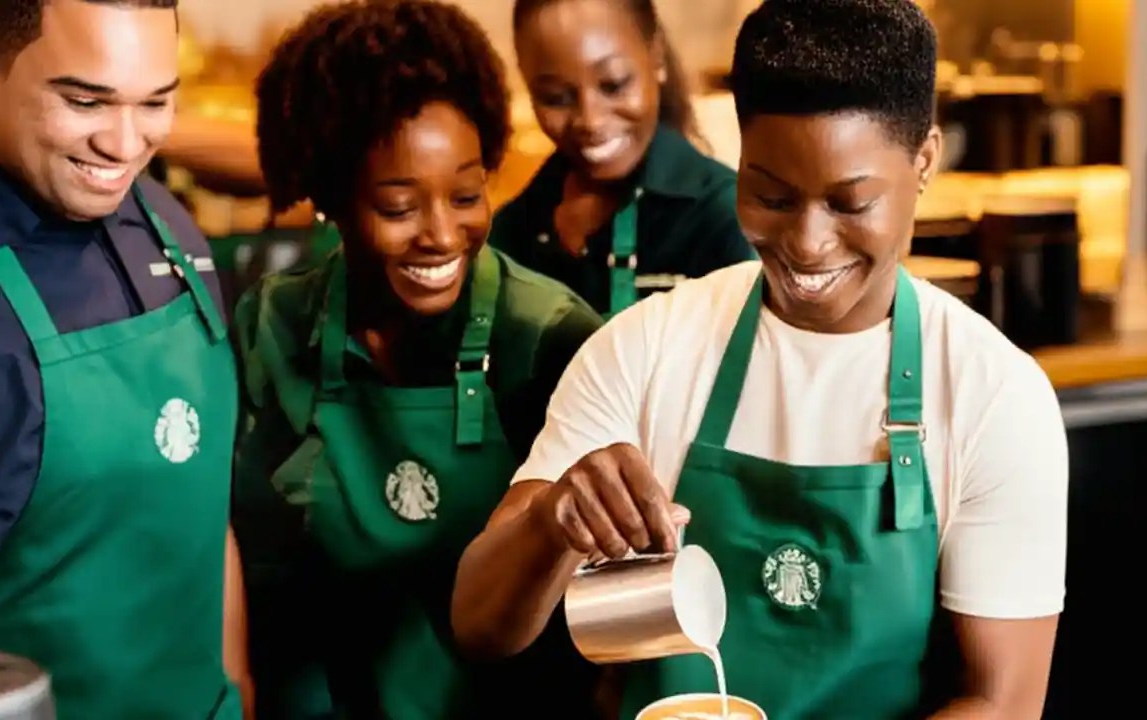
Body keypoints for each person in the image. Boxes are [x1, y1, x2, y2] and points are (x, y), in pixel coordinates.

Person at [453, 1, 1069, 718]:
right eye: (772, 195)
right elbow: (481, 627)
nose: (807, 244)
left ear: (924, 160)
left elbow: (1002, 702)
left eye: (850, 203)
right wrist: (553, 522)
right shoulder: (644, 349)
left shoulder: (994, 394)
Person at [231, 1, 605, 717]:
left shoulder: (551, 337)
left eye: (467, 195)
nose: (442, 234)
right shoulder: (275, 324)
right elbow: (257, 570)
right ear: (331, 197)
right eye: (399, 207)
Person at [0, 0, 252, 718]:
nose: (124, 144)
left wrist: (236, 687)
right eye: (85, 101)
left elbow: (203, 512)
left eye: (156, 103)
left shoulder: (171, 227)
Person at [488, 0, 755, 318]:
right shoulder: (512, 230)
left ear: (656, 58)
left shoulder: (725, 216)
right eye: (556, 98)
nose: (591, 121)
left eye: (614, 84)